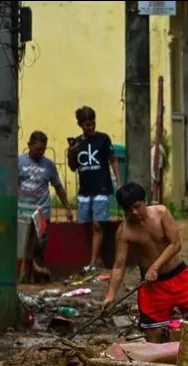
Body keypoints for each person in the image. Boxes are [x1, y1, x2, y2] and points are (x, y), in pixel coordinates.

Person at [104, 182, 188, 342]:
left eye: (137, 206)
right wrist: (110, 296)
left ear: (145, 201)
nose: (134, 212)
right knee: (152, 335)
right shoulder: (124, 231)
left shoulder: (161, 213)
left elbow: (175, 244)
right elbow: (118, 266)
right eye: (129, 209)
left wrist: (155, 267)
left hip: (179, 276)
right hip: (152, 286)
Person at [67, 106, 119, 271]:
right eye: (86, 125)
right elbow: (73, 167)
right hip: (85, 189)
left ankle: (92, 262)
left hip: (101, 186)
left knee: (98, 225)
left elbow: (113, 160)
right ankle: (97, 258)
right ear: (80, 125)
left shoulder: (103, 139)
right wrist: (71, 153)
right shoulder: (77, 143)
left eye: (92, 123)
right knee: (86, 224)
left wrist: (119, 181)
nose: (90, 127)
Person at [17, 130, 72, 281]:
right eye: (37, 148)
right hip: (22, 211)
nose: (40, 152)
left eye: (43, 149)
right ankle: (23, 275)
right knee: (22, 245)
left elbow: (58, 187)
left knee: (40, 244)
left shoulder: (49, 165)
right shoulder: (19, 162)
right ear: (29, 145)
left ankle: (37, 276)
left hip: (42, 211)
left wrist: (67, 207)